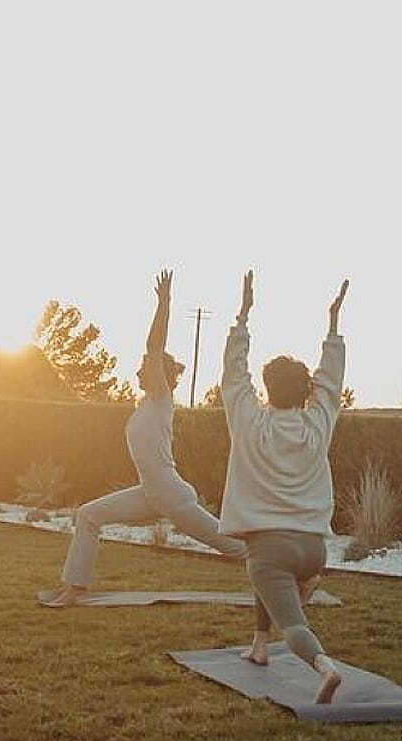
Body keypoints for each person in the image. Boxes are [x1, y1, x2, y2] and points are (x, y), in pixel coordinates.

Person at [41, 270, 248, 607]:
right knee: (88, 515)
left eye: (144, 367)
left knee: (233, 547)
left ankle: (296, 576)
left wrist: (164, 303)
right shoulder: (145, 405)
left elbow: (155, 346)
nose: (138, 371)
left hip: (170, 494)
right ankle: (75, 588)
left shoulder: (162, 400)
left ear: (158, 374)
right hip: (150, 493)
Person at [220, 270, 349, 704]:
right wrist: (333, 326)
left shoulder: (250, 422)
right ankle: (259, 645)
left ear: (267, 389)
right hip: (313, 549)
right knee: (274, 587)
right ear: (305, 391)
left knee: (293, 625)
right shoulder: (317, 425)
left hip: (270, 547)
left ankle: (324, 668)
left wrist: (243, 315)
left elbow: (233, 373)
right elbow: (331, 382)